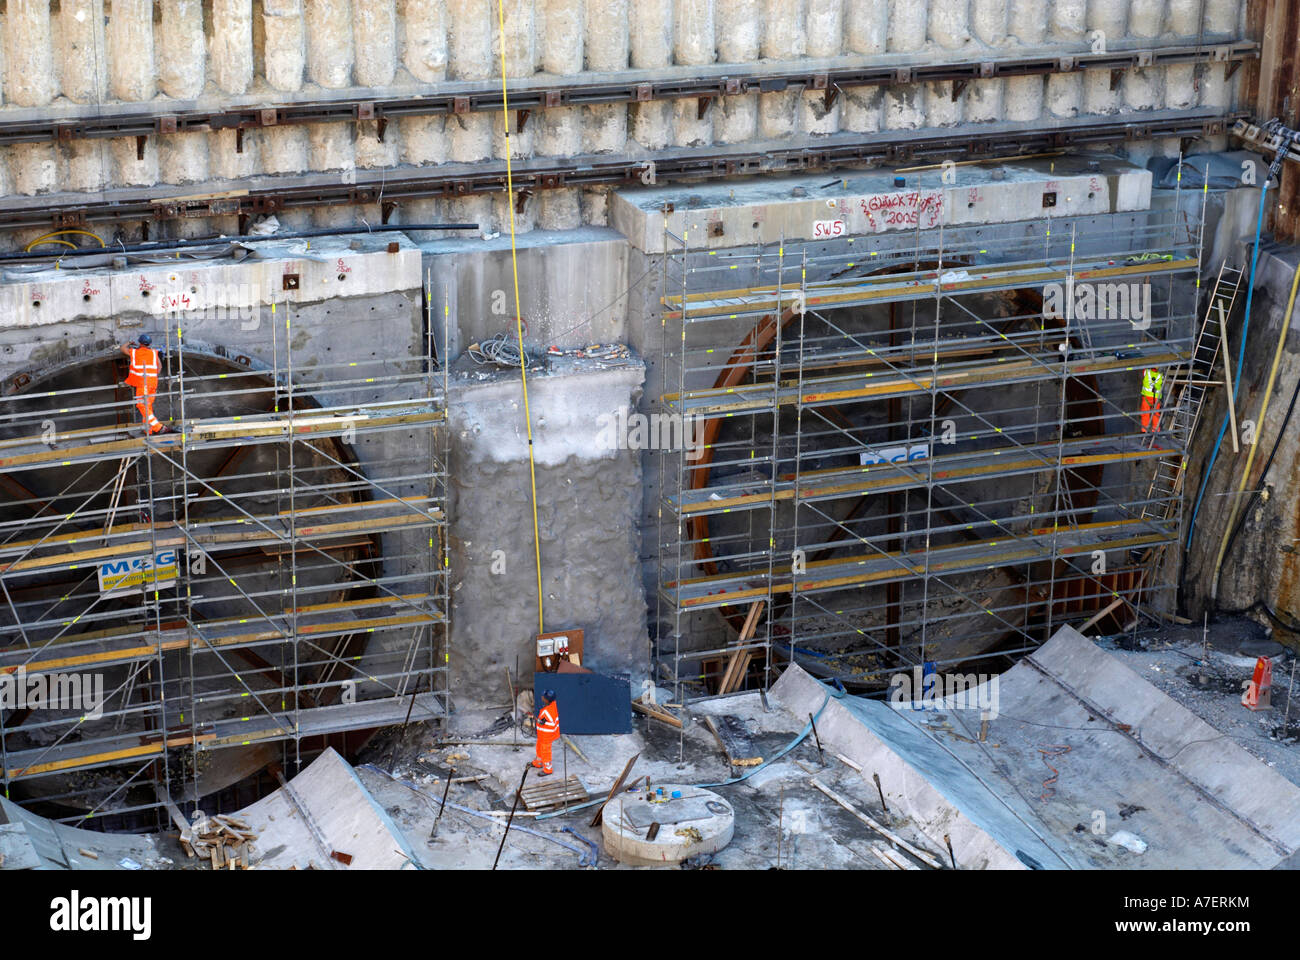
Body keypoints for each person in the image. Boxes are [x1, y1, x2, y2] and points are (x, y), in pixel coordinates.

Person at [120, 334, 168, 437]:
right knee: (148, 407)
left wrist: (129, 343)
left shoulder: (135, 352)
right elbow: (159, 367)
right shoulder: (154, 353)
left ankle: (158, 427)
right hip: (153, 383)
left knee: (141, 405)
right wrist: (152, 377)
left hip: (143, 384)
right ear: (149, 344)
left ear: (140, 343)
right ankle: (148, 430)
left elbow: (122, 349)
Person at [532, 689, 559, 777]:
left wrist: (532, 717)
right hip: (543, 734)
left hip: (546, 735)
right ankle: (538, 762)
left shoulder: (547, 712)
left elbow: (541, 722)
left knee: (545, 751)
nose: (542, 697)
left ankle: (548, 769)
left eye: (543, 697)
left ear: (547, 700)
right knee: (539, 747)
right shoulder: (552, 705)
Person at [1139, 366, 1164, 433]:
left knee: (1145, 413)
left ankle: (1144, 430)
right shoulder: (1161, 375)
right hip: (1156, 398)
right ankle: (1156, 430)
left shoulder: (1146, 371)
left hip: (1147, 397)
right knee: (1156, 414)